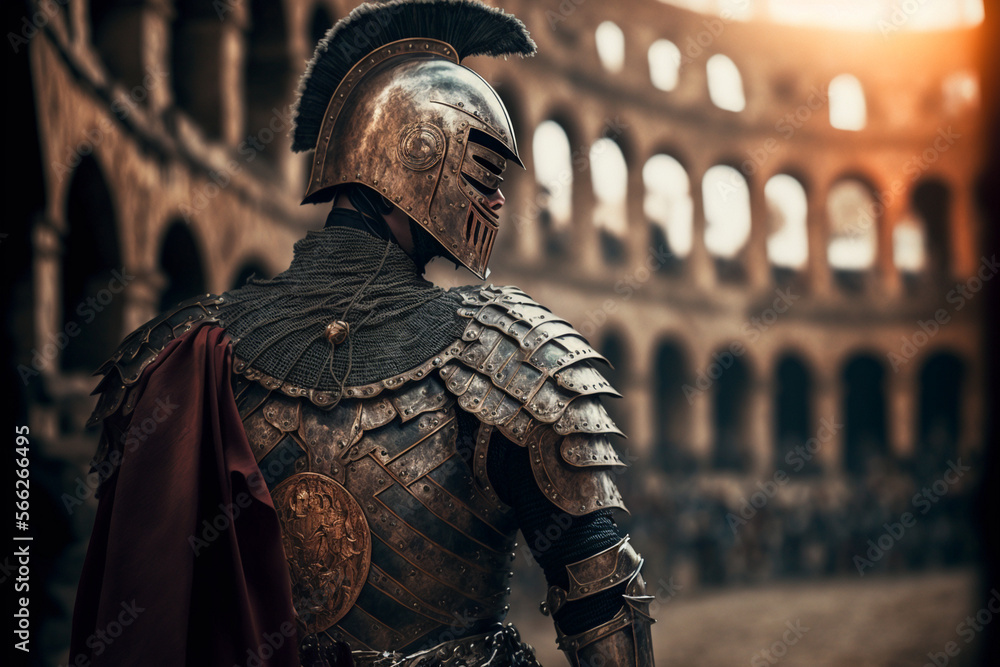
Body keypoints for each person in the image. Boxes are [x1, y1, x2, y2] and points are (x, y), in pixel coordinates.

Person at [71, 1, 654, 665]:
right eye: (487, 172)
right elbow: (602, 594)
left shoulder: (181, 351)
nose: (497, 202)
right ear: (414, 157)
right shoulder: (515, 356)